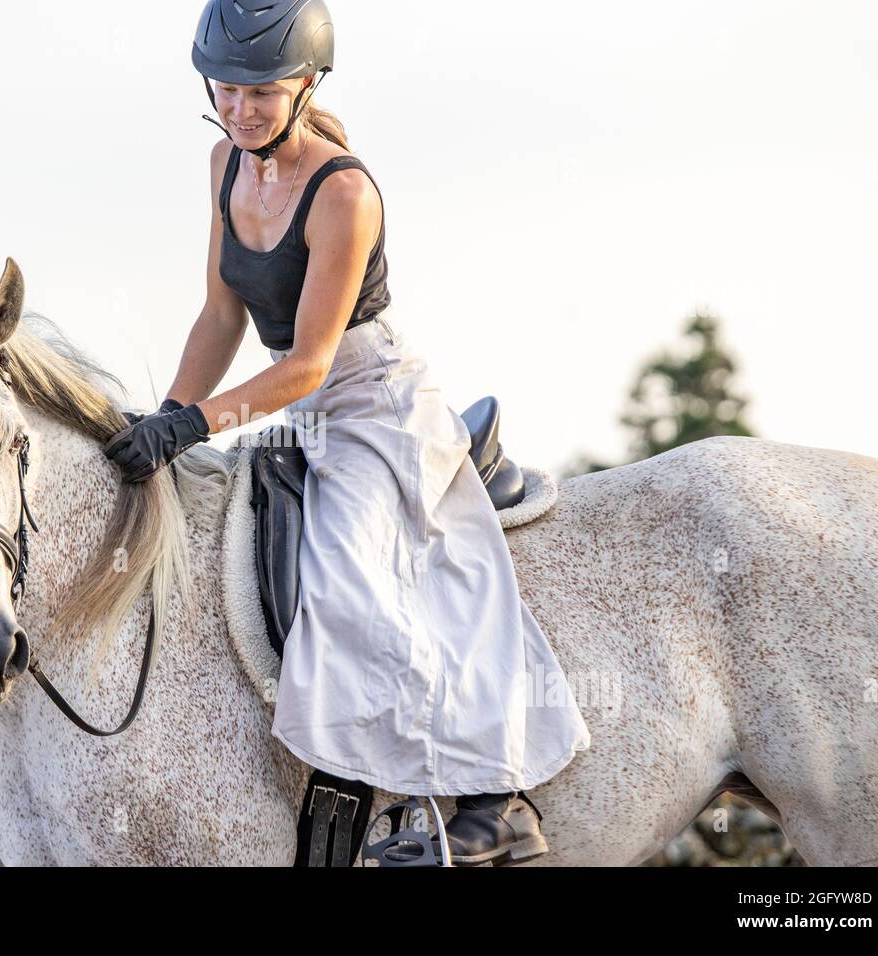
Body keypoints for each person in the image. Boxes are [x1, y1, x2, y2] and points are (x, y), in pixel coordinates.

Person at [103, 0, 591, 866]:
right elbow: (221, 314)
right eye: (225, 89)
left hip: (373, 401)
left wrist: (196, 424)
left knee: (356, 579)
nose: (240, 109)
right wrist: (165, 418)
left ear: (307, 83)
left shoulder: (344, 192)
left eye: (261, 92)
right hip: (293, 401)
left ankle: (492, 804)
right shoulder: (224, 163)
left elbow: (310, 364)